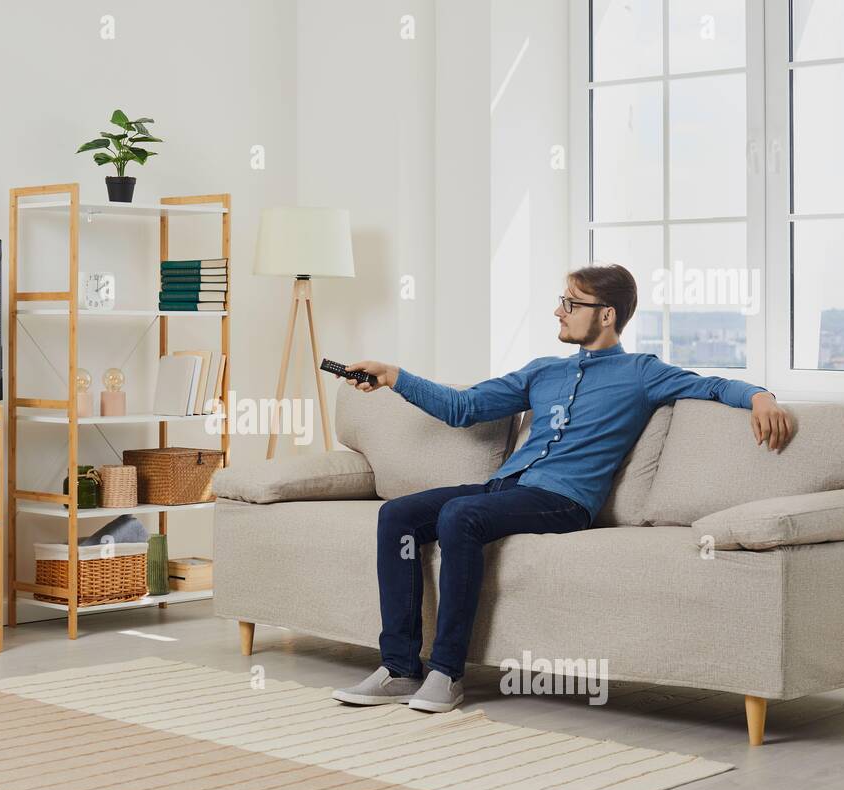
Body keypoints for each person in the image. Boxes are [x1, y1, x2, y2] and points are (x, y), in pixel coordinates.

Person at [330, 264, 793, 714]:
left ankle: (446, 672)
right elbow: (463, 407)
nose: (559, 311)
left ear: (606, 314)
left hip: (563, 501)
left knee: (459, 516)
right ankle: (400, 668)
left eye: (571, 303)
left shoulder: (641, 372)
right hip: (507, 488)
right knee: (397, 515)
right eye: (562, 301)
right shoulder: (543, 371)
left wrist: (760, 396)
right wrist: (393, 375)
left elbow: (711, 385)